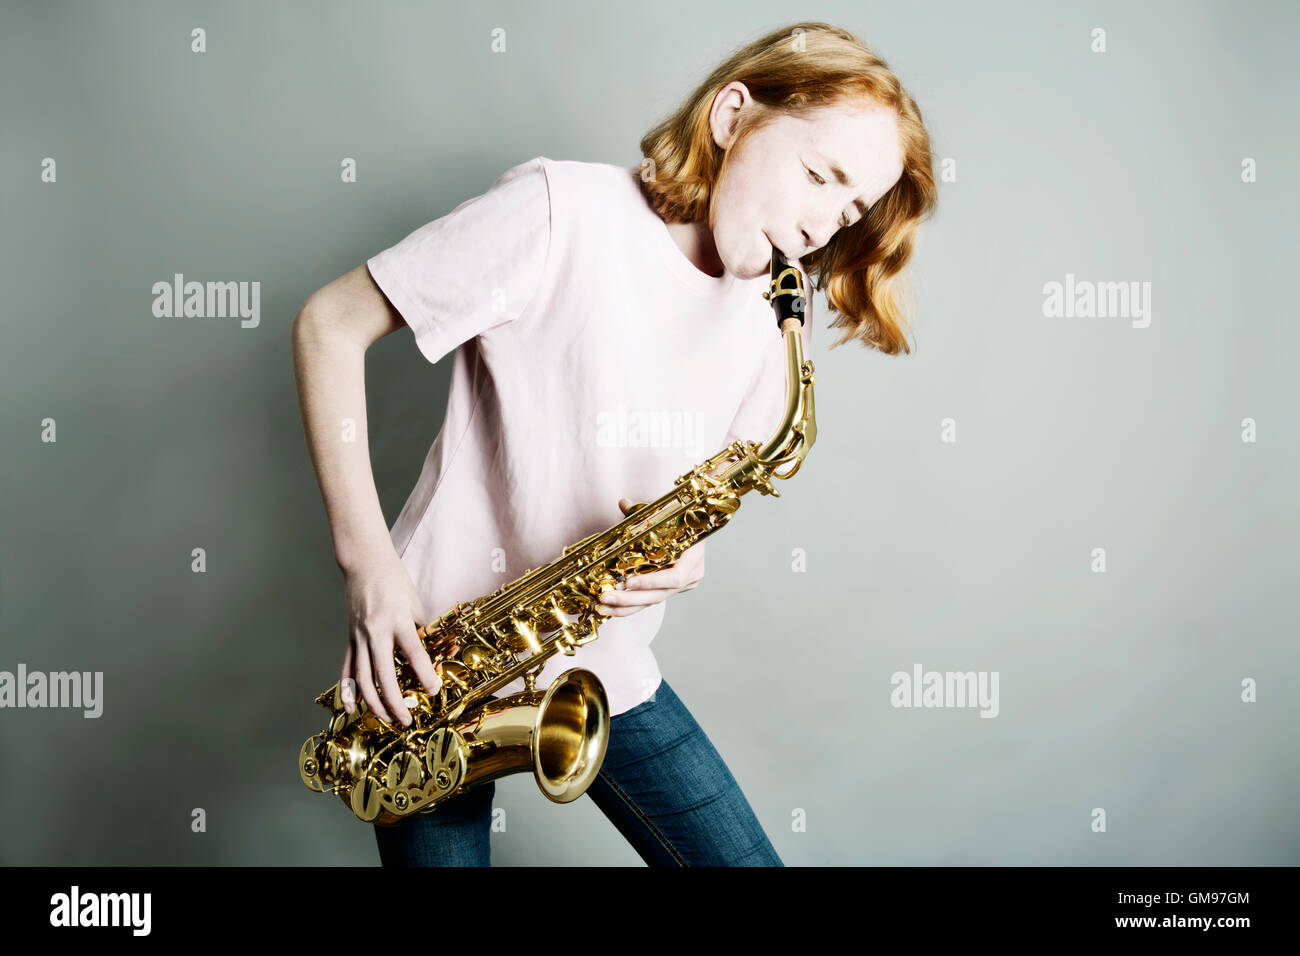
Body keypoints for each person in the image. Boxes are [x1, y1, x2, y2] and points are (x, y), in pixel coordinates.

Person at [291, 21, 936, 866]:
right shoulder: (563, 212)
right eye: (820, 176)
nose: (822, 226)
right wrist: (370, 568)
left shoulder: (775, 320)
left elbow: (705, 489)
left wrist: (689, 558)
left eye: (851, 209)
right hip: (429, 667)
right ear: (733, 115)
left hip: (601, 672)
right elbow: (328, 326)